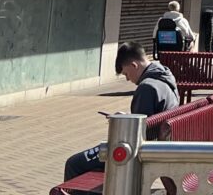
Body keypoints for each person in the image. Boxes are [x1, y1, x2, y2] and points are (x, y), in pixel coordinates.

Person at [63, 42, 180, 181]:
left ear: (134, 65)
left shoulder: (146, 87)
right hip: (158, 146)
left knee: (74, 164)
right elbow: (147, 120)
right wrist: (127, 118)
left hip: (138, 152)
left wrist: (121, 124)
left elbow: (137, 135)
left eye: (126, 73)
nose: (127, 79)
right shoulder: (165, 76)